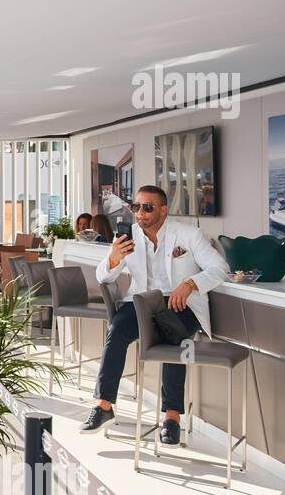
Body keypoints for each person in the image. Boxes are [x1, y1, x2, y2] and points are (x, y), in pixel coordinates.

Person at [82, 185, 229, 444]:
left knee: (175, 336)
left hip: (180, 301)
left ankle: (171, 418)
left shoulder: (189, 234)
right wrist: (114, 259)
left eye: (147, 207)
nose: (140, 213)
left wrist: (190, 283)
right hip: (142, 302)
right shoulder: (129, 238)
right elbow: (102, 276)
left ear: (163, 210)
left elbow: (220, 268)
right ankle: (104, 406)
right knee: (116, 329)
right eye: (136, 207)